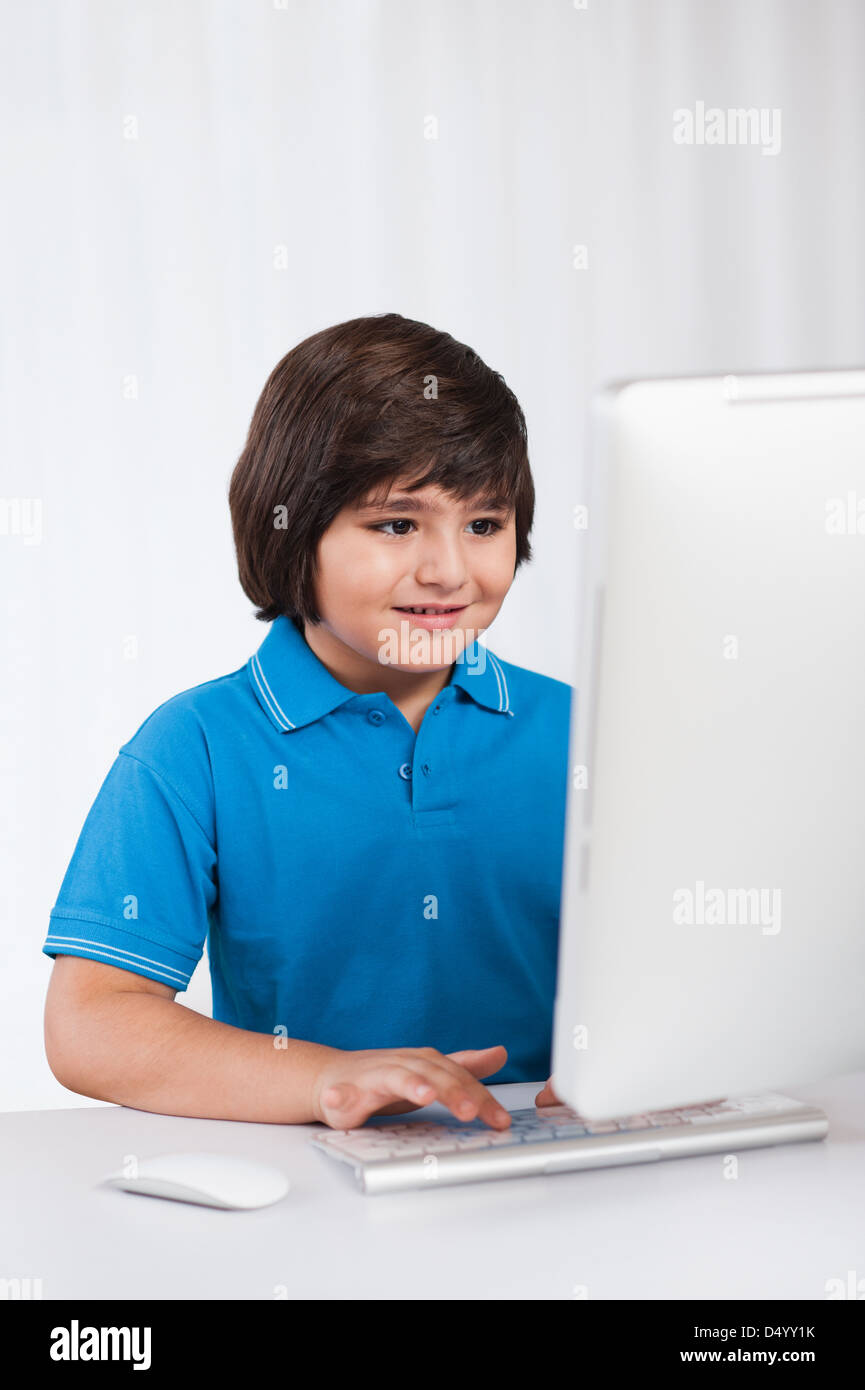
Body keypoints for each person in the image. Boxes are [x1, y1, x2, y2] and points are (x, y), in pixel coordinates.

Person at [42, 312, 573, 1132]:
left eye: (484, 524)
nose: (448, 571)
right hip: (311, 1181)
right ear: (291, 528)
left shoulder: (579, 731)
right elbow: (92, 1025)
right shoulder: (196, 746)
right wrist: (331, 1079)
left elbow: (684, 964)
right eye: (395, 524)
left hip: (556, 1169)